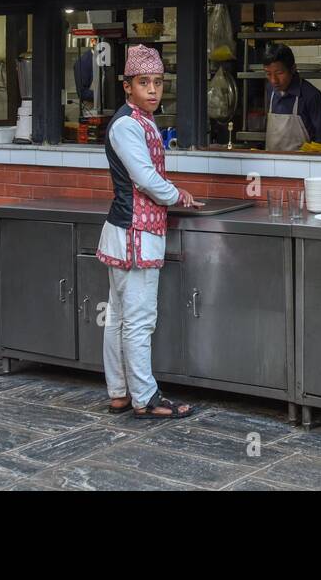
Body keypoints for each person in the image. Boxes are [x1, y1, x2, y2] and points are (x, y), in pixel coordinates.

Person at [97, 44, 203, 419]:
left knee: (119, 318)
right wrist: (179, 195)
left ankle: (120, 393)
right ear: (127, 86)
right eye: (144, 83)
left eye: (158, 82)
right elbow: (144, 178)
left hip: (128, 231)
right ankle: (146, 398)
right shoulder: (128, 125)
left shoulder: (140, 121)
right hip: (135, 234)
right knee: (137, 321)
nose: (153, 90)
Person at [262, 42, 321, 150]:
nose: (273, 80)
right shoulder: (270, 90)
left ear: (293, 68)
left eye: (279, 73)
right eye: (268, 73)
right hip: (271, 164)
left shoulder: (311, 96)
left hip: (302, 165)